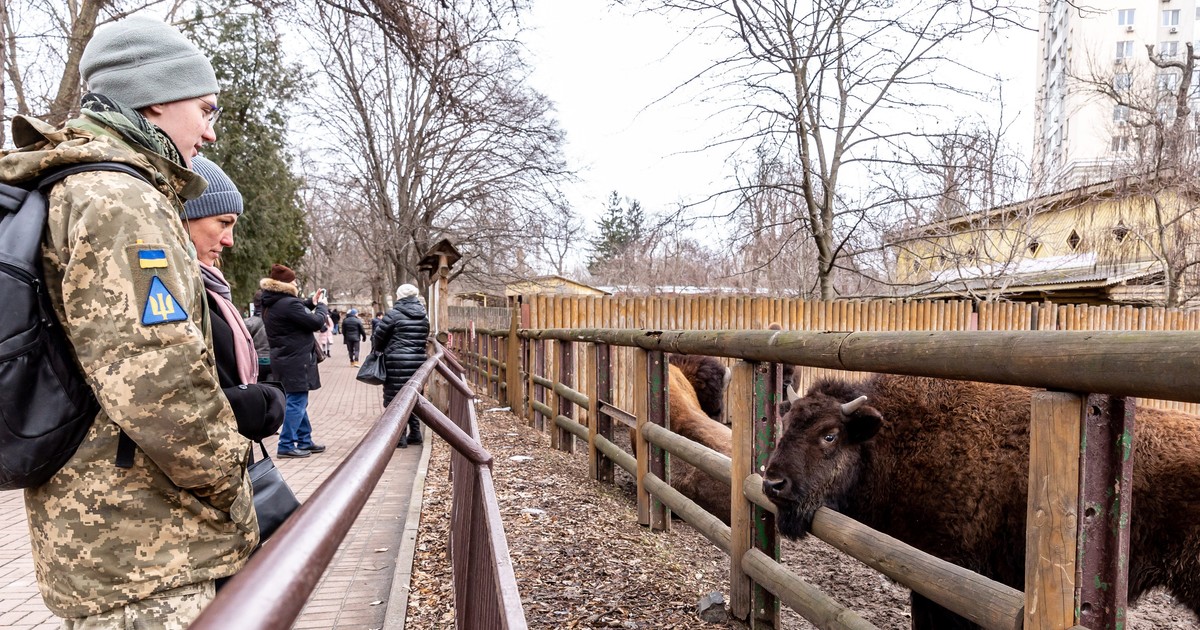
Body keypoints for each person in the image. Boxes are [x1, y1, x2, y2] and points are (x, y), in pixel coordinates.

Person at [0, 15, 255, 626]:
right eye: (207, 108)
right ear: (157, 98)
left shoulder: (75, 185)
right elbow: (158, 383)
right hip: (151, 552)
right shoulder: (121, 200)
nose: (211, 133)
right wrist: (234, 477)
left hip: (106, 541)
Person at [185, 156, 285, 441]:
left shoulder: (210, 287)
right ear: (184, 216)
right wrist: (258, 402)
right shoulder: (175, 290)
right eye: (223, 222)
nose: (230, 240)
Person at [260, 264, 329, 458]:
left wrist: (311, 302)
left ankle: (304, 440)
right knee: (297, 402)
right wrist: (322, 306)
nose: (296, 283)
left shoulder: (272, 302)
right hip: (296, 360)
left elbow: (292, 312)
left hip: (284, 358)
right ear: (286, 284)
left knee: (297, 400)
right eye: (294, 280)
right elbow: (316, 322)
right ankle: (286, 444)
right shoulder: (289, 304)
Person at [372, 283, 430, 448]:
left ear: (399, 296)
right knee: (413, 396)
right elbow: (424, 336)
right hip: (418, 362)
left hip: (396, 362)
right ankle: (416, 433)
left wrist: (382, 349)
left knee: (395, 398)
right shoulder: (423, 316)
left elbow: (378, 337)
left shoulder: (393, 315)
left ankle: (400, 437)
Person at [244, 290, 272, 382]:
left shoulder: (247, 323)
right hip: (273, 361)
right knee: (274, 390)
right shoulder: (276, 321)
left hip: (255, 363)